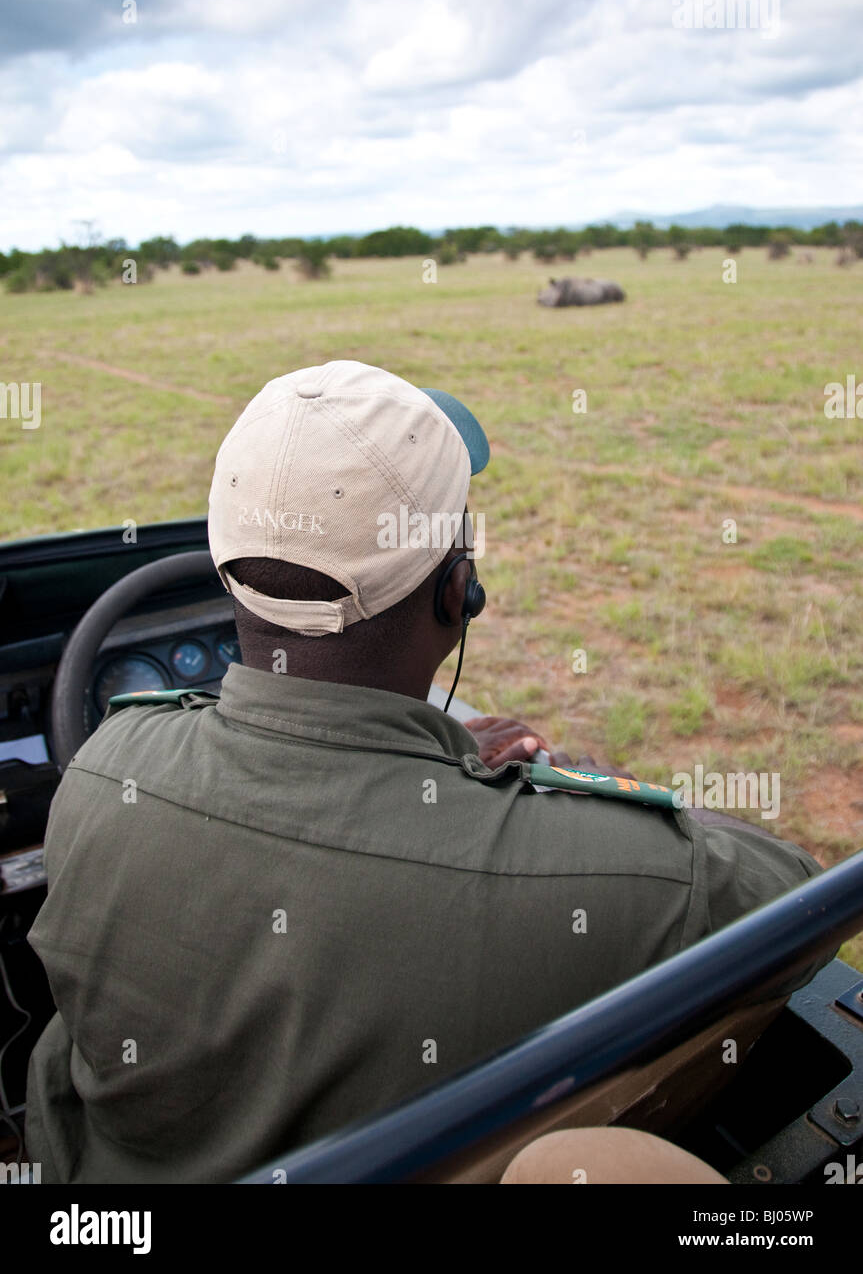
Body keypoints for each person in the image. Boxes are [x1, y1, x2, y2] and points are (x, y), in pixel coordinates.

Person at [25, 360, 826, 1184]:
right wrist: (568, 787)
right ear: (458, 593)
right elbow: (798, 908)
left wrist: (432, 766)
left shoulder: (101, 770)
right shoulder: (605, 875)